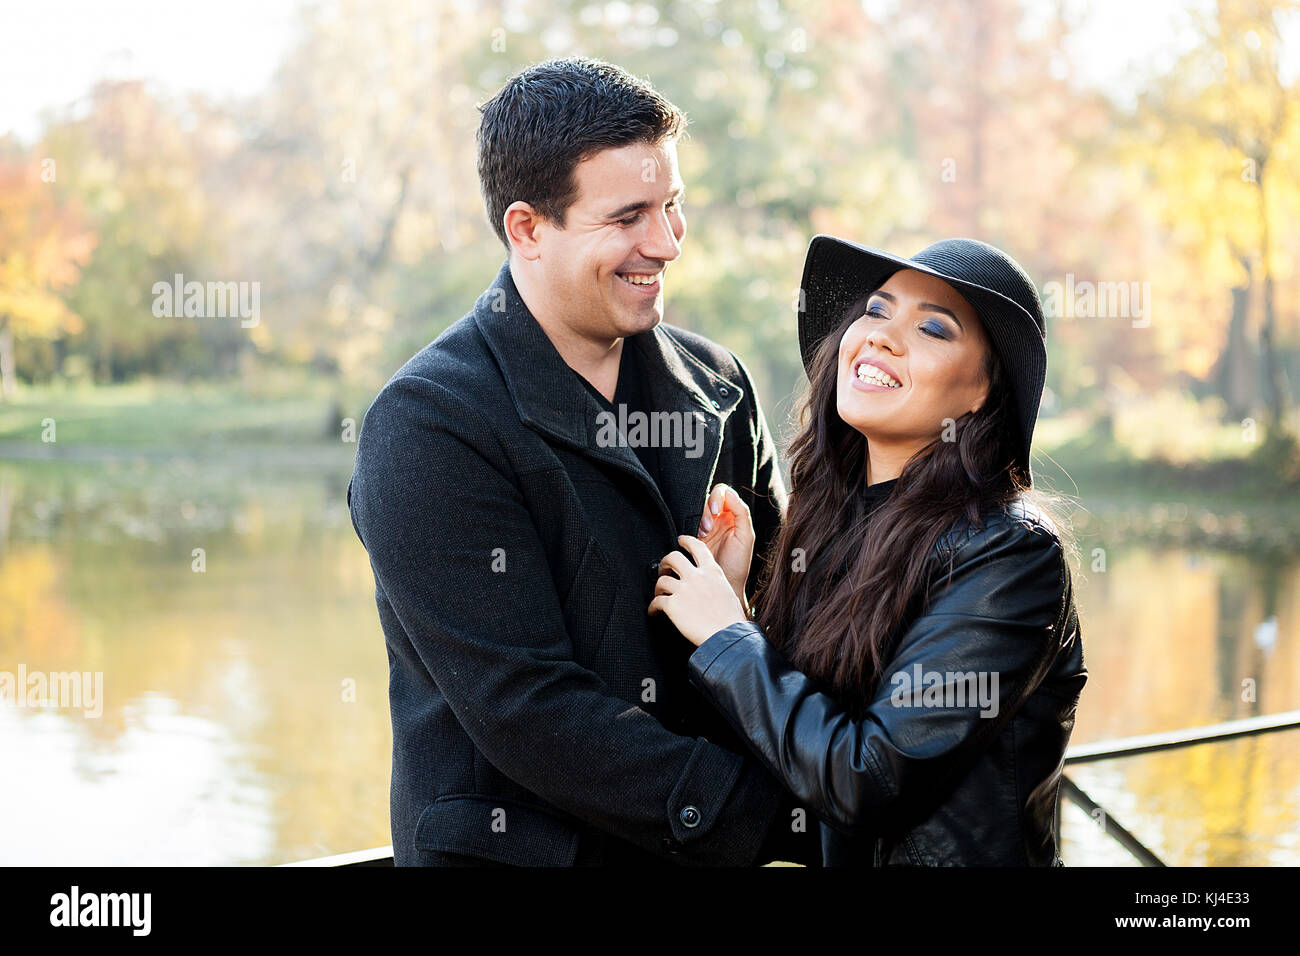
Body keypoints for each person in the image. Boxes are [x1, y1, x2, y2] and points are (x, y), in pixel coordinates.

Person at [346, 57, 820, 866]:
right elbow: (530, 712)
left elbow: (808, 620)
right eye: (631, 215)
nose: (667, 244)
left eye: (673, 207)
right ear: (527, 229)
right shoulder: (426, 425)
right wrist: (796, 820)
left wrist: (752, 613)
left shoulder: (721, 385)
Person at [650, 235, 1089, 866]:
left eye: (934, 328)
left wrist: (727, 637)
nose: (881, 336)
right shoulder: (834, 522)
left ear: (982, 393)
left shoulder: (1010, 555)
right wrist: (741, 608)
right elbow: (798, 749)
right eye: (877, 311)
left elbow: (868, 779)